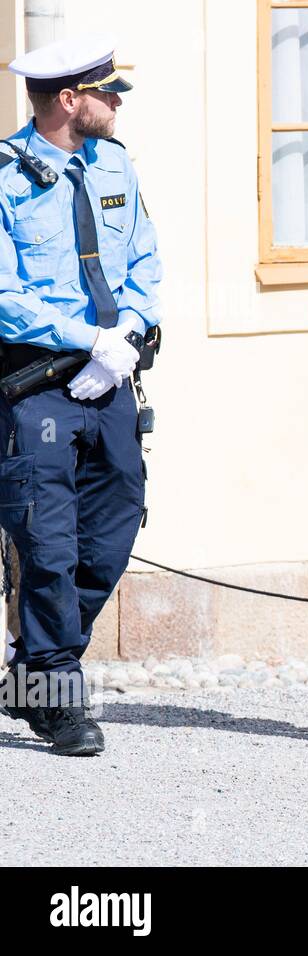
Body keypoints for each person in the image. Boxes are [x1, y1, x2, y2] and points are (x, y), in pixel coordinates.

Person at [0, 35, 160, 756]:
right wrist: (81, 339)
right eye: (108, 91)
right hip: (36, 391)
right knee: (49, 548)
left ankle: (29, 670)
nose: (118, 102)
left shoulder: (115, 164)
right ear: (69, 100)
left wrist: (125, 329)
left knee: (113, 536)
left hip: (113, 379)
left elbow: (145, 260)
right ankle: (56, 699)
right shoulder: (4, 179)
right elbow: (3, 295)